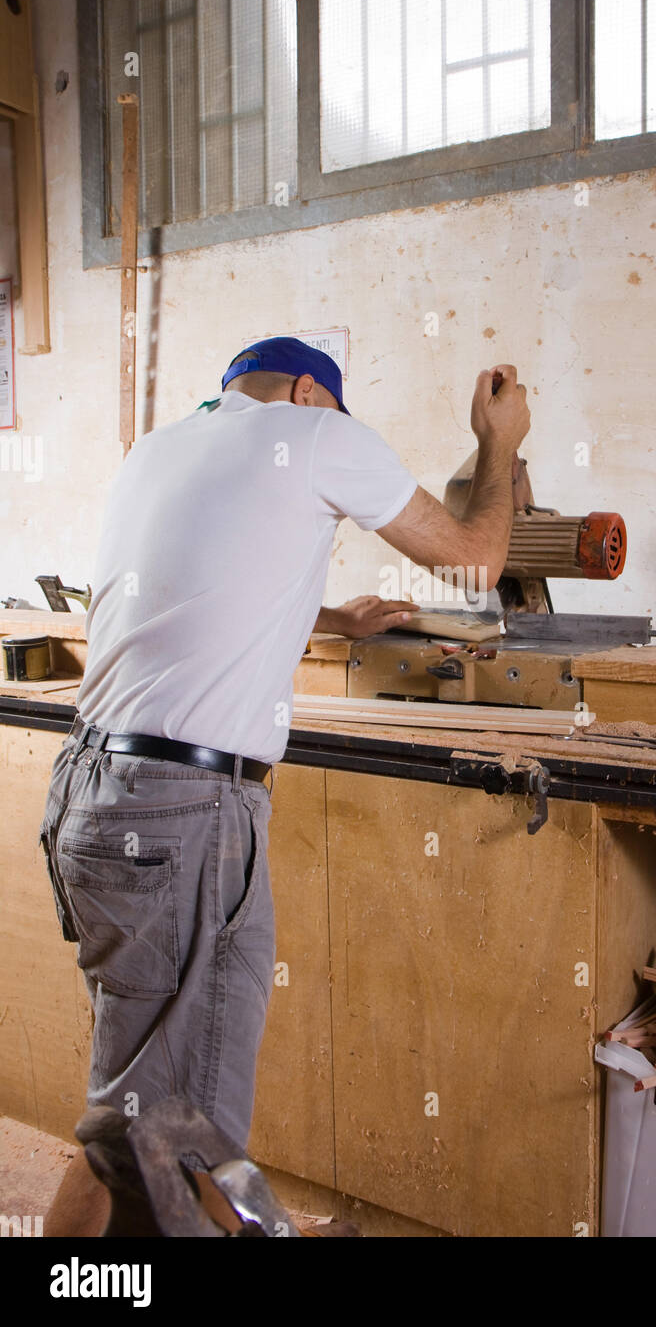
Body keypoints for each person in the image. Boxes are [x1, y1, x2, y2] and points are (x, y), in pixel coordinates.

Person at [40, 336, 530, 1234]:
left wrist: (332, 612)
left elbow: (202, 574)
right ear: (310, 393)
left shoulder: (161, 449)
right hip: (181, 815)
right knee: (182, 1128)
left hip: (89, 794)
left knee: (134, 1107)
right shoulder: (319, 433)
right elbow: (473, 563)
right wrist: (498, 442)